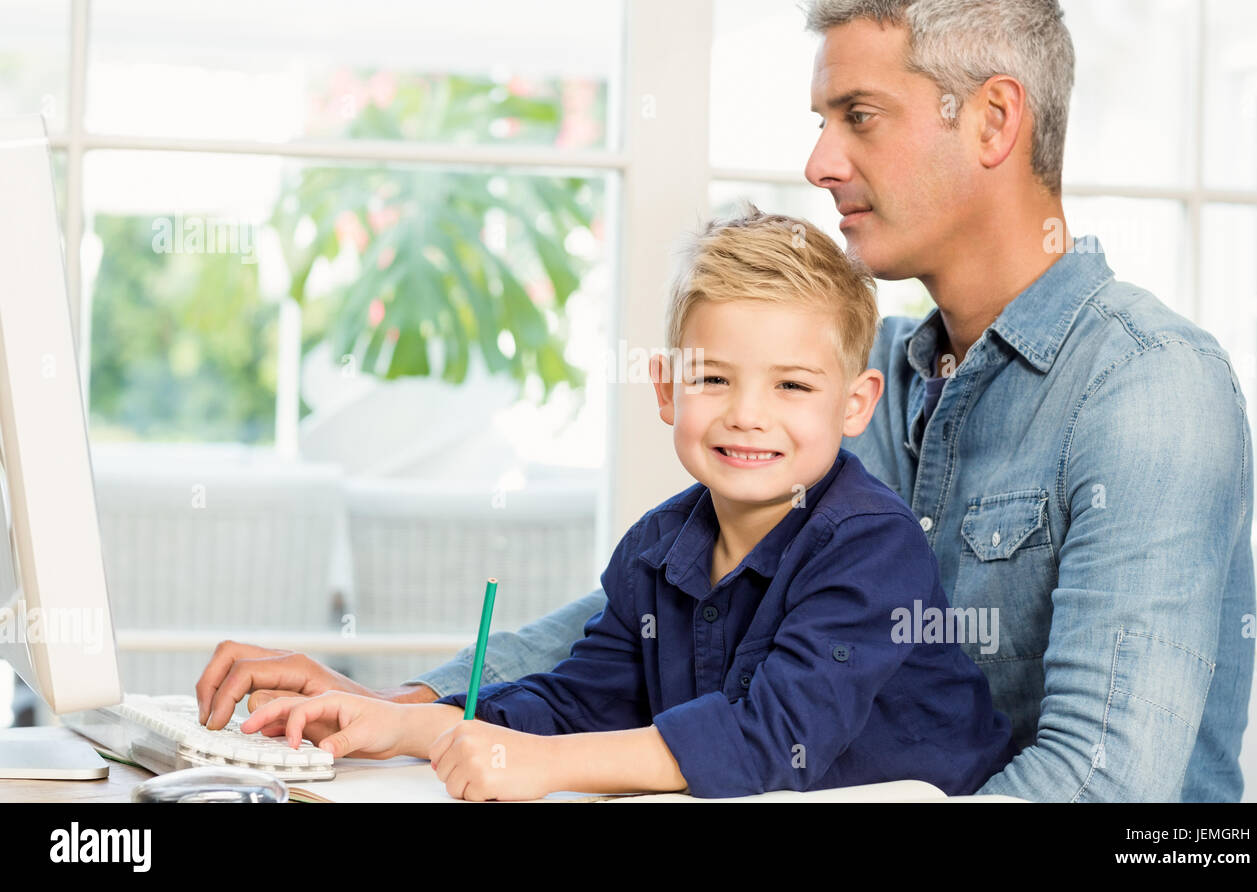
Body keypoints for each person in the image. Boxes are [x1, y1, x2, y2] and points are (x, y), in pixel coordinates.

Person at [196, 0, 1255, 802]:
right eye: (820, 120)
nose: (818, 163)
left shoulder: (1151, 391)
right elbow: (644, 622)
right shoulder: (867, 379)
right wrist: (407, 704)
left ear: (991, 119)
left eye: (858, 115)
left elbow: (1107, 784)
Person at [237, 207, 1016, 800]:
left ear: (855, 405)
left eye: (791, 385)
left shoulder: (870, 545)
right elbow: (578, 701)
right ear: (666, 389)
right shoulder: (656, 548)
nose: (748, 413)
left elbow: (775, 737)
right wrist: (406, 725)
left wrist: (537, 765)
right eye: (714, 378)